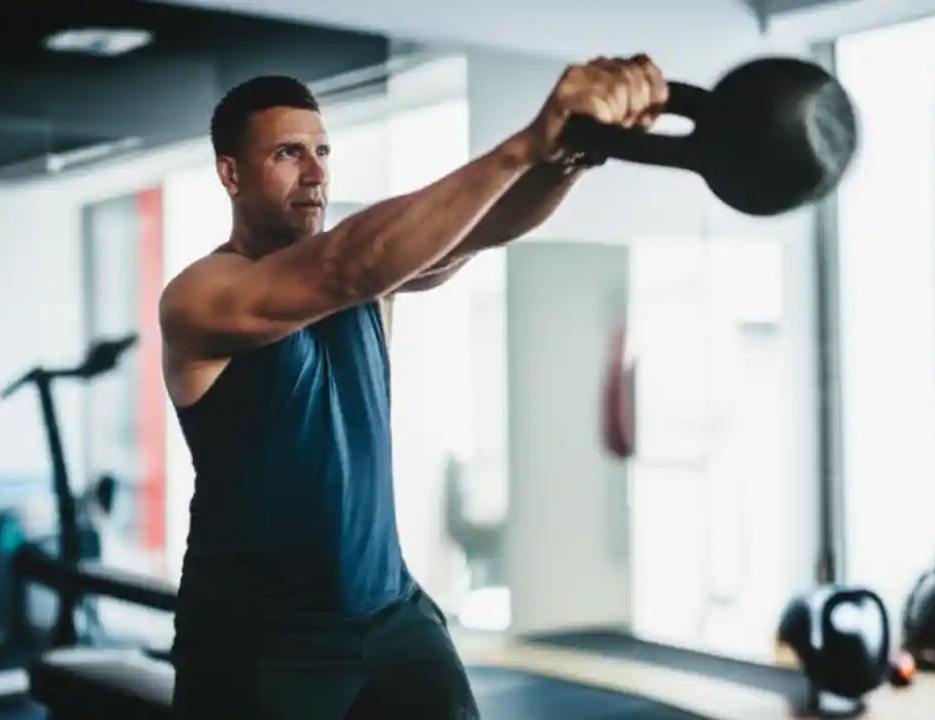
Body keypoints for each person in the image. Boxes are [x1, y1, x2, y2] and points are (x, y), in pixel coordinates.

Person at [158, 54, 669, 719]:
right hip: (263, 638)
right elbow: (345, 265)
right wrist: (524, 143)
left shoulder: (373, 277)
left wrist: (570, 154)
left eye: (322, 151)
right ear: (231, 173)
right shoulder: (202, 296)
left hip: (390, 614)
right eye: (288, 153)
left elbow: (484, 226)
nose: (315, 173)